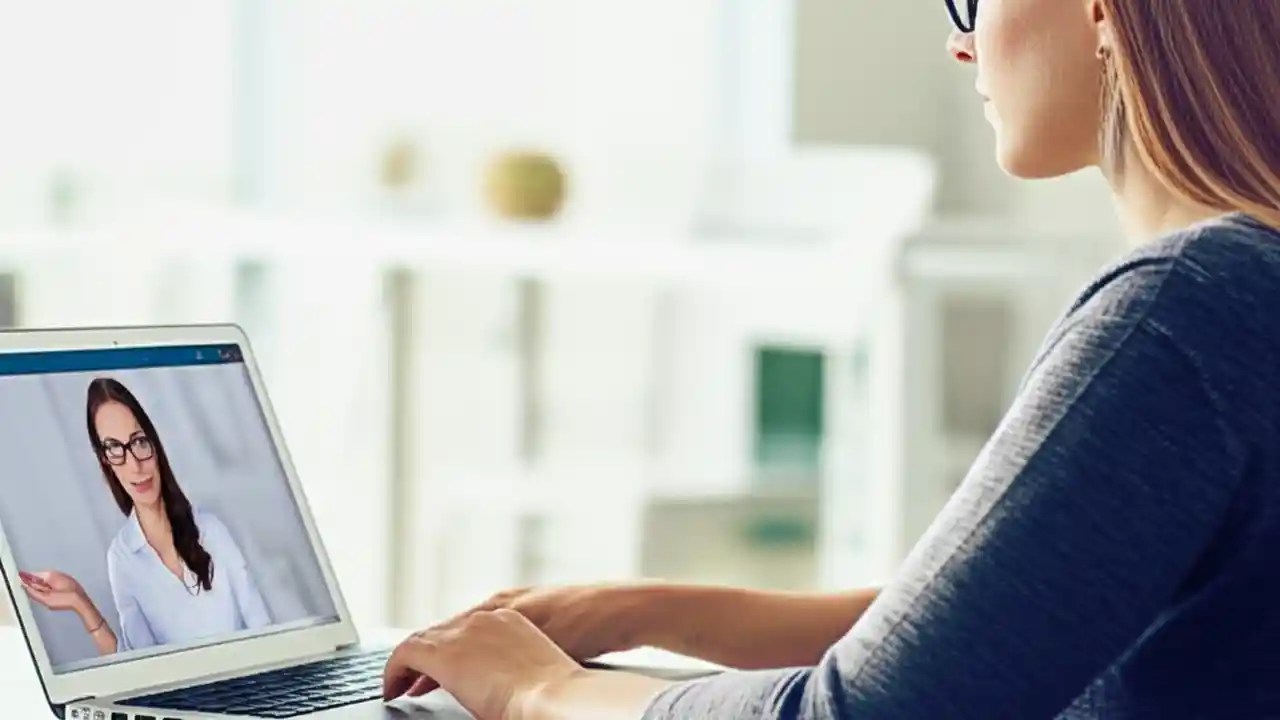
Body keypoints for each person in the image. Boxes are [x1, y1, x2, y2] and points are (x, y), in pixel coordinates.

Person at [381, 0, 1280, 717]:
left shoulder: (1184, 306)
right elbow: (1002, 634)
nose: (959, 45)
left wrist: (539, 692)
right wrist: (649, 610)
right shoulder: (1243, 289)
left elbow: (877, 713)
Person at [20, 378, 271, 655]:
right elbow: (137, 666)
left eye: (138, 442)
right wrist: (80, 602)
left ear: (154, 442)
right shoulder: (122, 557)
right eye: (115, 448)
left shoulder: (210, 529)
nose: (134, 464)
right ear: (105, 460)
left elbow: (263, 626)